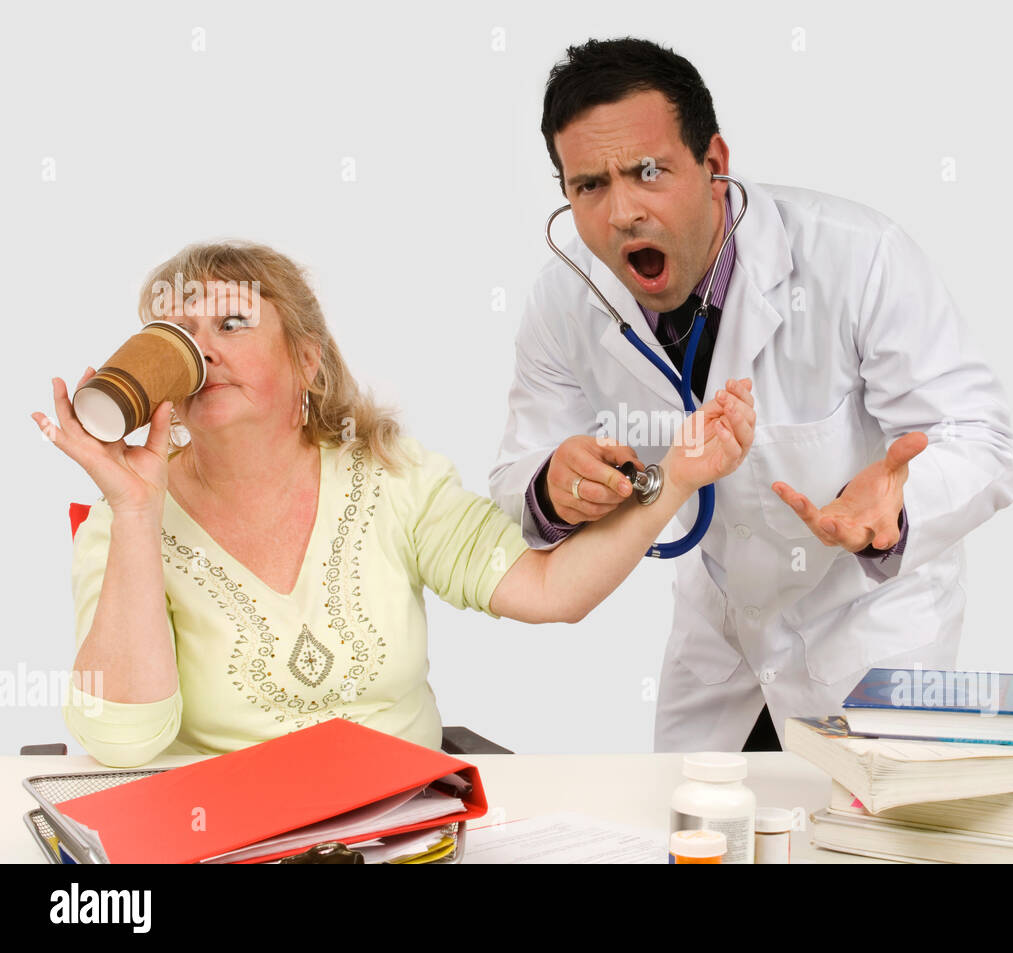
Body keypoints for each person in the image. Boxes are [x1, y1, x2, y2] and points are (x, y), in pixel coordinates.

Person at [32, 240, 755, 768]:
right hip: (222, 843)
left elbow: (549, 588)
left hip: (399, 834)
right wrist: (132, 509)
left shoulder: (390, 476)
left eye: (233, 324)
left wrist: (681, 476)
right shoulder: (123, 524)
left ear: (306, 360)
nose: (205, 350)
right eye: (182, 335)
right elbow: (123, 742)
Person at [489, 38, 1013, 752]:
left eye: (648, 172)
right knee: (692, 835)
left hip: (869, 633)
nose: (621, 213)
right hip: (722, 636)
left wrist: (898, 503)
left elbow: (982, 437)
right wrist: (553, 488)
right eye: (589, 185)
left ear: (714, 164)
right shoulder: (565, 300)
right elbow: (518, 473)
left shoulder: (858, 257)